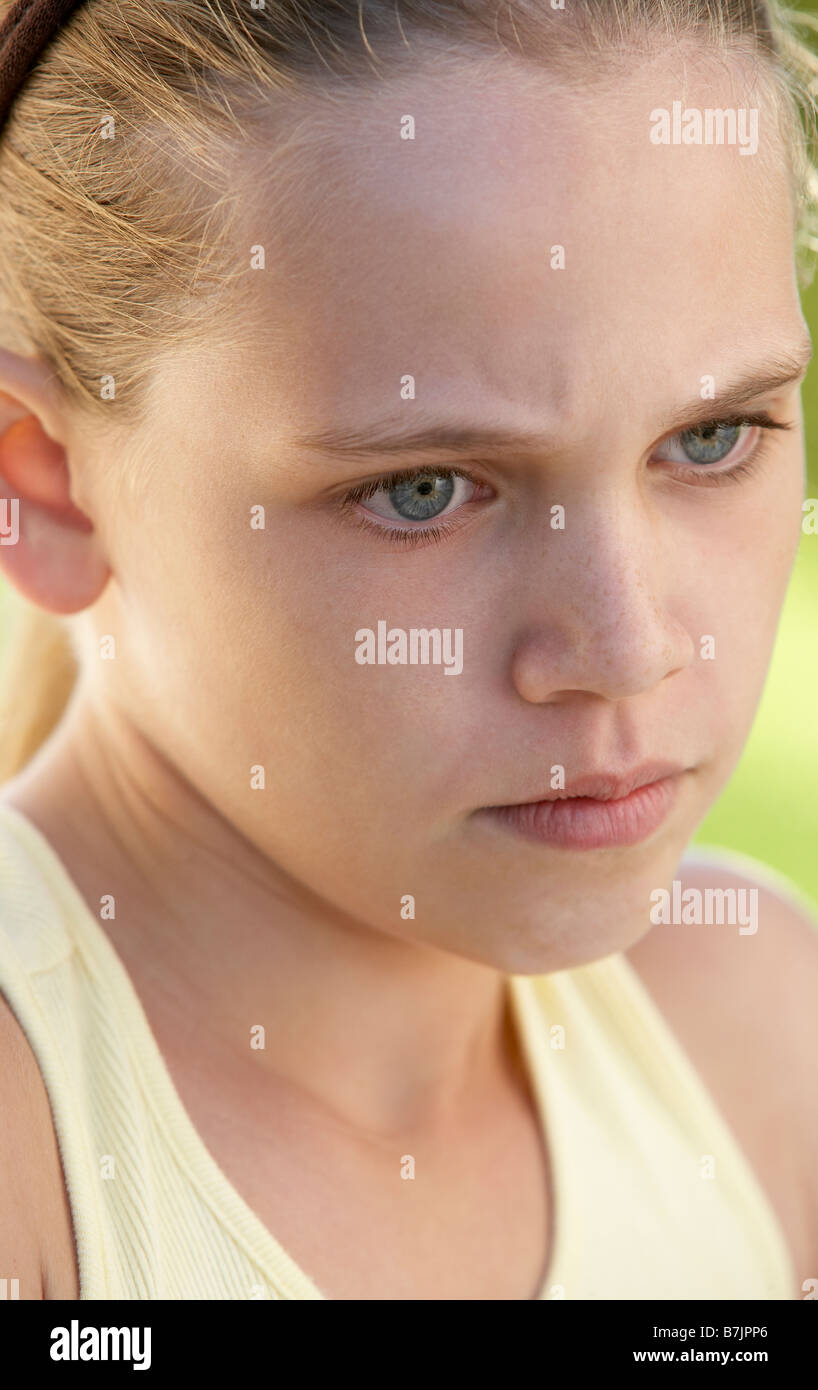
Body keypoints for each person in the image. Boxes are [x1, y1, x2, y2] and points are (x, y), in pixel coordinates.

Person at [0, 0, 816, 1302]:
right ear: (45, 483)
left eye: (709, 438)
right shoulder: (34, 1164)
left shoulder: (754, 1032)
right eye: (427, 488)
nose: (624, 646)